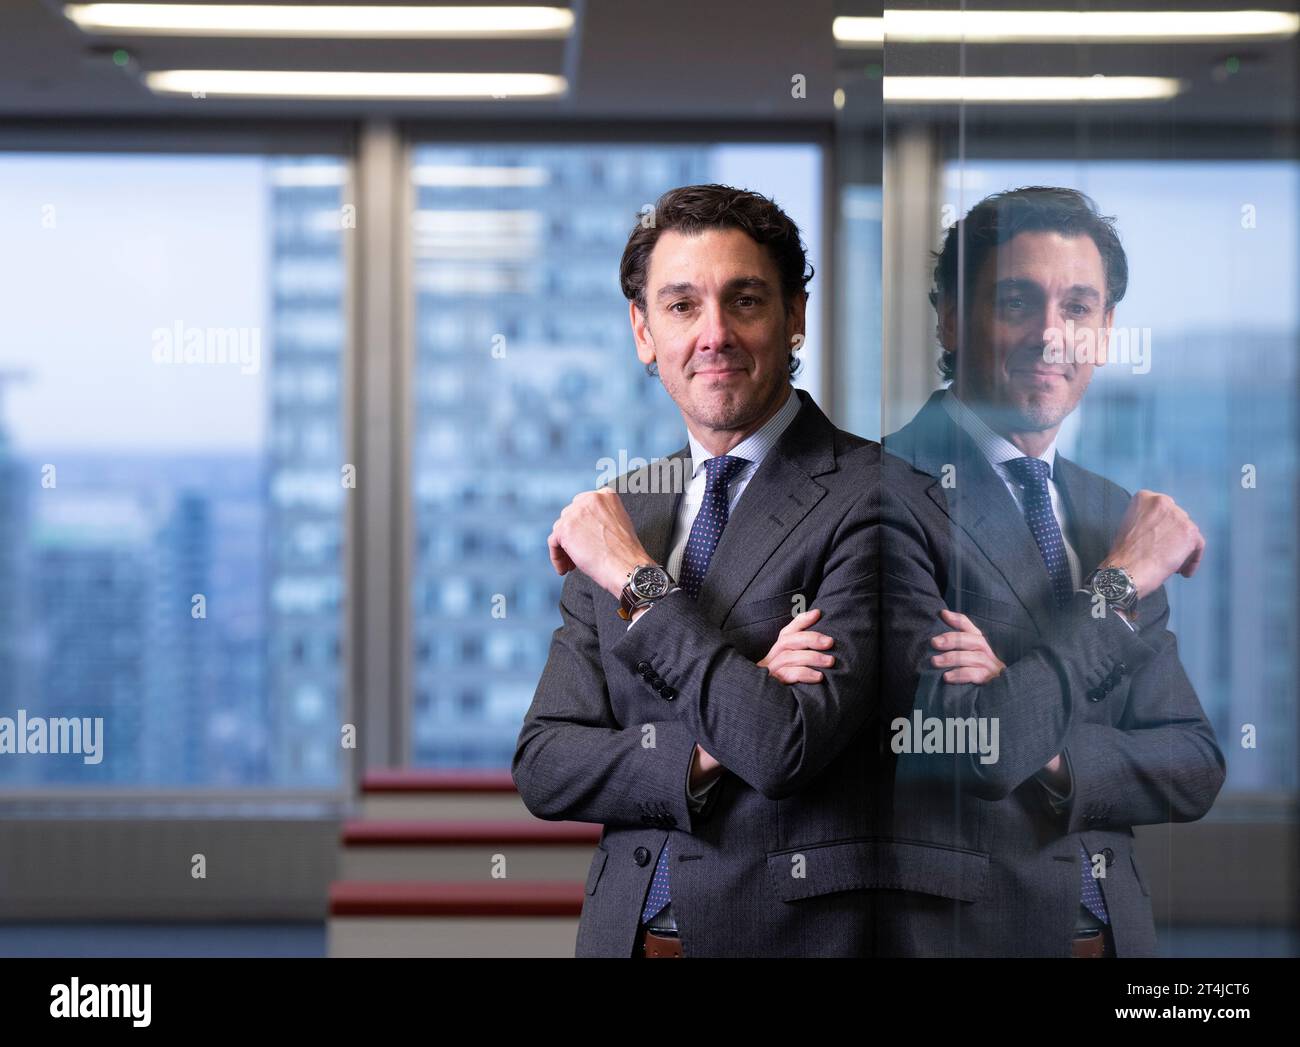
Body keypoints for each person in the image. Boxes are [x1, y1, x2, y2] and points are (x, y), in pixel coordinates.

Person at [512, 184, 884, 957]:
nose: (714, 334)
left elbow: (784, 746)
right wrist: (711, 744)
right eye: (682, 306)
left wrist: (641, 584)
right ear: (644, 332)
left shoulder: (878, 497)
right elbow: (546, 762)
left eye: (744, 299)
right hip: (627, 937)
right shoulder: (624, 513)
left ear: (795, 319)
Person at [877, 186, 1226, 957]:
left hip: (1113, 939)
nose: (1049, 334)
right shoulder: (883, 488)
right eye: (1016, 301)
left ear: (1104, 332)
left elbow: (1194, 761)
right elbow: (970, 744)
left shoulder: (1110, 515)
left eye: (1077, 307)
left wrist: (1055, 751)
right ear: (950, 318)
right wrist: (1115, 590)